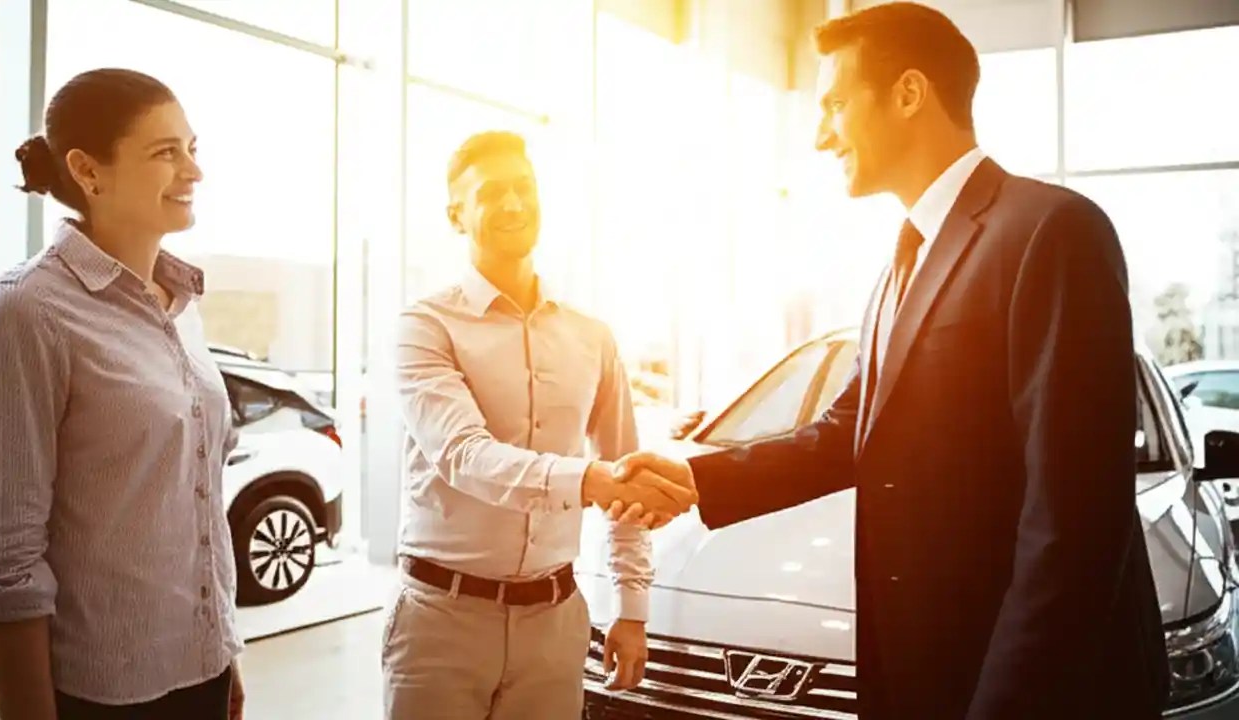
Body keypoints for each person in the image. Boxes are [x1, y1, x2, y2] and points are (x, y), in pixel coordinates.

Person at [619, 4, 1170, 719]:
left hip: (1028, 682)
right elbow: (850, 432)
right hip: (927, 669)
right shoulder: (899, 265)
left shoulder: (1051, 231)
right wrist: (696, 477)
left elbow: (1072, 522)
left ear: (908, 94)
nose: (821, 135)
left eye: (836, 104)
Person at [0, 68, 245, 720]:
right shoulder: (23, 314)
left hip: (199, 671)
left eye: (192, 148)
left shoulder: (180, 305)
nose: (193, 171)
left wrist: (223, 654)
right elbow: (3, 561)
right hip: (95, 696)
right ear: (89, 172)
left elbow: (196, 502)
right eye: (166, 152)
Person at [386, 130, 690, 720]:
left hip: (555, 621)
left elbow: (625, 465)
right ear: (456, 214)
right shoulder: (425, 326)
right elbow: (464, 455)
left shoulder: (591, 336)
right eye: (492, 192)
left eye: (524, 188)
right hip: (442, 623)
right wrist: (594, 481)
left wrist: (632, 609)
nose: (513, 205)